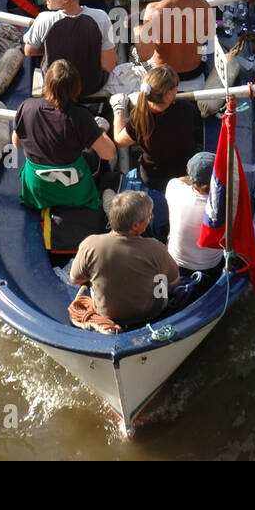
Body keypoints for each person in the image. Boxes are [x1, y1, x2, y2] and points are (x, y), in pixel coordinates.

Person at [12, 59, 116, 210]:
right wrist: (99, 129)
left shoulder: (26, 107)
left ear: (46, 83)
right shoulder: (81, 117)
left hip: (38, 190)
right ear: (77, 88)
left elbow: (17, 143)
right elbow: (109, 154)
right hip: (75, 191)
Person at [70, 189, 180, 326]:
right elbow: (174, 281)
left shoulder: (90, 244)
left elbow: (75, 279)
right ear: (135, 226)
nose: (151, 217)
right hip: (151, 314)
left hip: (106, 314)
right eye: (149, 215)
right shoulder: (156, 248)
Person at [23, 0, 116, 97]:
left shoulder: (43, 19)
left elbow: (29, 51)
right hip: (92, 86)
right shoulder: (102, 17)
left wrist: (51, 48)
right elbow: (109, 63)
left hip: (55, 87)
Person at [110, 65, 202, 190]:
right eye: (176, 86)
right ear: (169, 94)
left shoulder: (139, 119)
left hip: (154, 178)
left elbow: (120, 141)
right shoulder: (186, 108)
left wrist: (118, 109)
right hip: (185, 174)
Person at [135, 0, 216, 83]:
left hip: (165, 77)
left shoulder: (152, 11)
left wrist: (139, 29)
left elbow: (145, 55)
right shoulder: (203, 6)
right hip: (194, 73)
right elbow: (207, 34)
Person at [165, 151, 225, 285]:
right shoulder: (226, 207)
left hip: (174, 264)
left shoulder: (174, 188)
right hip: (211, 268)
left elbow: (181, 180)